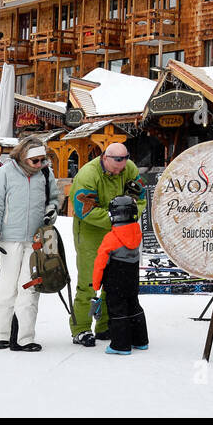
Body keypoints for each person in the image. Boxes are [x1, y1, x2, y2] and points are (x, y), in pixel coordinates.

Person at [0, 138, 60, 352]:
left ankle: (25, 337)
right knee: (7, 288)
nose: (39, 164)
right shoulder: (5, 173)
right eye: (35, 160)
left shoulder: (45, 174)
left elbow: (54, 198)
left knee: (29, 287)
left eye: (42, 160)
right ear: (24, 157)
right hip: (9, 239)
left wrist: (52, 210)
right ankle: (4, 334)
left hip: (35, 240)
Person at [69, 141, 142, 347]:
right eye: (116, 164)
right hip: (91, 232)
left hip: (120, 233)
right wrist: (117, 218)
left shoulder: (129, 168)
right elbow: (85, 210)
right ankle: (81, 328)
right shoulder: (87, 175)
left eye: (124, 162)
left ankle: (105, 325)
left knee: (115, 281)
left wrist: (129, 218)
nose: (121, 169)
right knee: (90, 282)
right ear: (105, 157)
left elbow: (140, 198)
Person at [91, 194, 147, 355]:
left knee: (117, 310)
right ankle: (140, 340)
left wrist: (96, 285)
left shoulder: (111, 238)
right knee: (134, 306)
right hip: (132, 279)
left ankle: (120, 345)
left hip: (115, 281)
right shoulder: (137, 233)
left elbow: (100, 264)